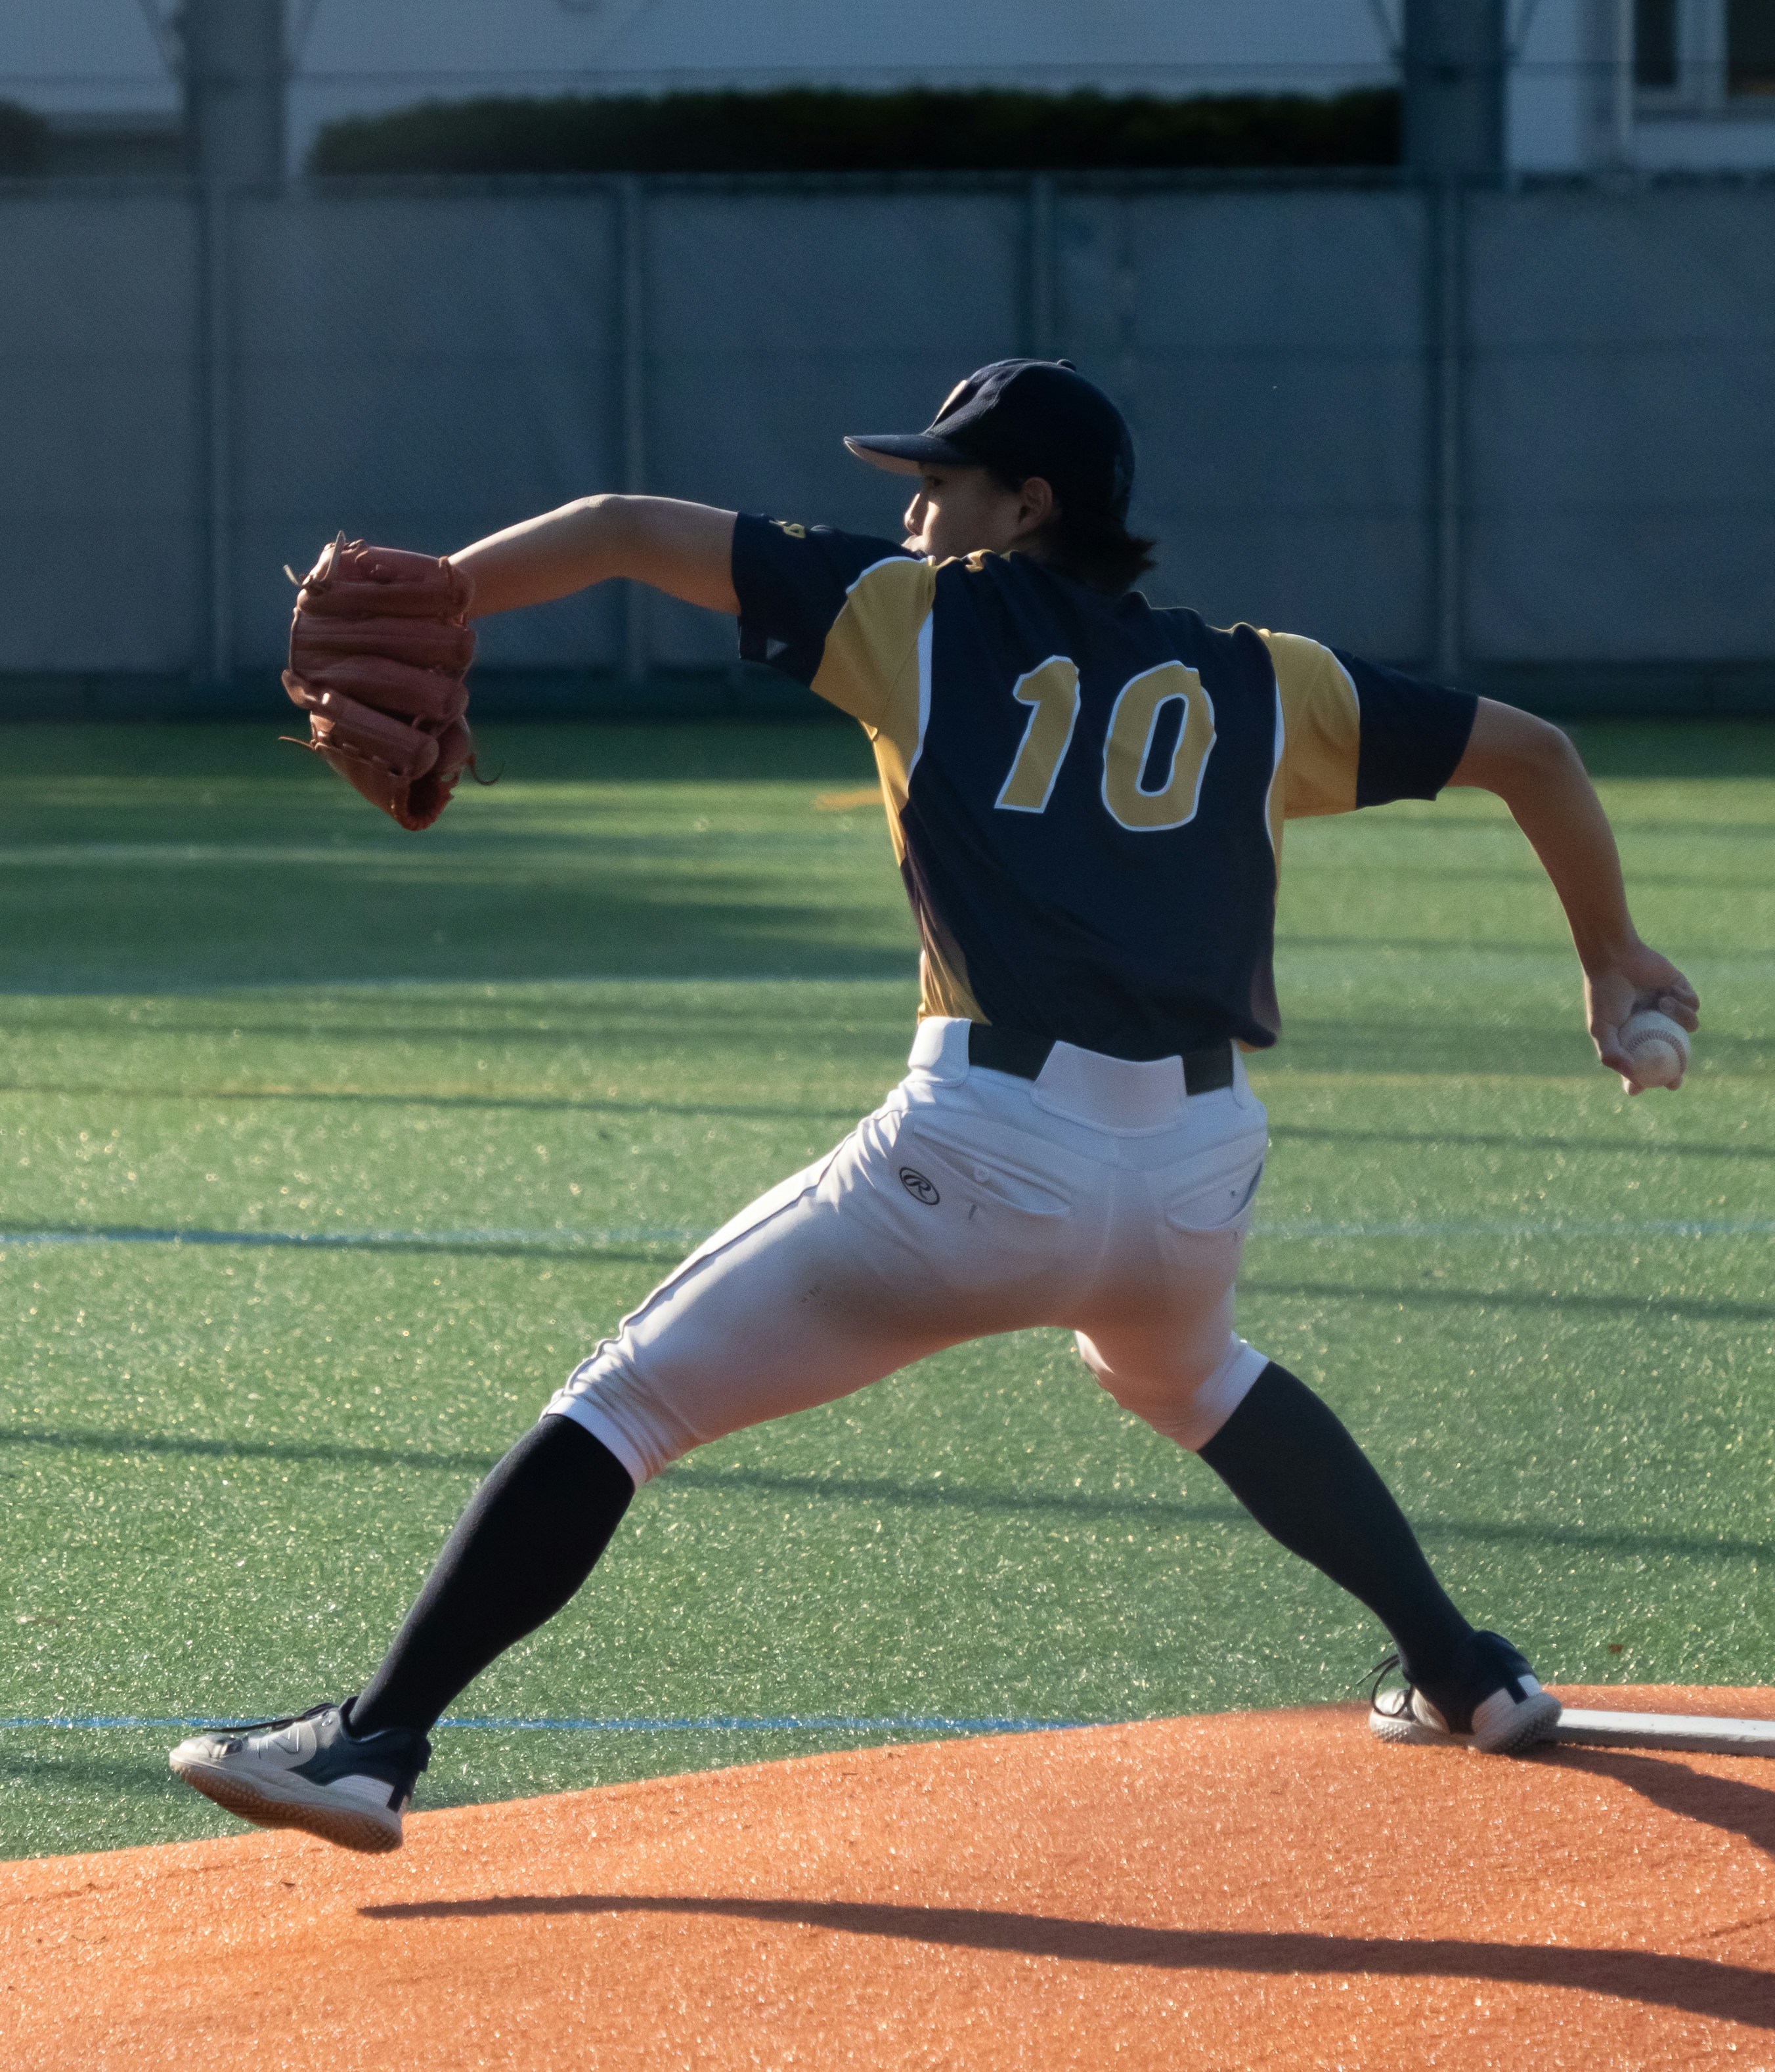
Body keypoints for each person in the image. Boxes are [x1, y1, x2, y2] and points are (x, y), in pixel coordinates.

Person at [170, 358, 1698, 1854]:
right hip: (1195, 1172)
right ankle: (1464, 1669)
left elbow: (632, 525)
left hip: (980, 1153)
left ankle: (370, 1743)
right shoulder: (1263, 674)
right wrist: (1608, 957)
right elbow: (1534, 753)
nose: (910, 513)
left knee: (628, 1398)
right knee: (1194, 1376)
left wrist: (442, 587)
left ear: (1025, 503)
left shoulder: (911, 619)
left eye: (937, 483)